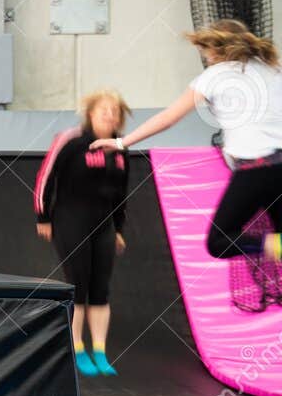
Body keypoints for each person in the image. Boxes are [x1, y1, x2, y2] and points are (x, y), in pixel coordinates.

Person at [91, 20, 282, 265]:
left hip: (256, 170)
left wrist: (122, 142)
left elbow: (169, 117)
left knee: (219, 241)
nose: (207, 58)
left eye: (205, 53)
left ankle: (274, 243)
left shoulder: (213, 76)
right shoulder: (273, 69)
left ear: (216, 49)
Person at [35, 91, 130, 377]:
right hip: (70, 222)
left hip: (104, 227)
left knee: (101, 288)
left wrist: (119, 229)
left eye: (115, 110)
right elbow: (45, 178)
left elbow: (121, 194)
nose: (109, 114)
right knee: (78, 285)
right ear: (90, 113)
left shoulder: (120, 149)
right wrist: (43, 216)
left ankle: (99, 351)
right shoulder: (72, 141)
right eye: (104, 109)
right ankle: (76, 347)